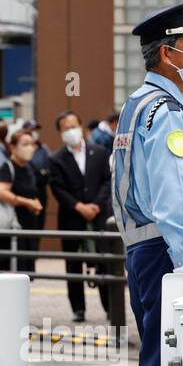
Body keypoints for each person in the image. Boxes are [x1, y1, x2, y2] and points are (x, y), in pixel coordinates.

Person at [110, 0, 183, 366]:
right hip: (172, 250)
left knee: (157, 356)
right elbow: (170, 194)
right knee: (175, 364)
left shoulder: (136, 106)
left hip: (144, 250)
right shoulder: (165, 111)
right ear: (168, 54)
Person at [49, 111, 113, 321]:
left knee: (105, 262)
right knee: (73, 264)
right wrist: (78, 206)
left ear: (81, 126)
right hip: (71, 217)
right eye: (65, 128)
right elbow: (57, 188)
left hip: (99, 215)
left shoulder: (100, 152)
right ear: (60, 132)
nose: (70, 131)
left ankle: (110, 308)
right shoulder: (56, 158)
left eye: (73, 126)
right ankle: (78, 309)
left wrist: (95, 205)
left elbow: (107, 181)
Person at [0, 129, 43, 274]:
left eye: (32, 144)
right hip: (12, 228)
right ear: (13, 147)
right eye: (25, 144)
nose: (30, 148)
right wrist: (26, 202)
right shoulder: (7, 167)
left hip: (27, 226)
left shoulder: (28, 167)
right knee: (13, 273)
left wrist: (34, 202)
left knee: (26, 273)